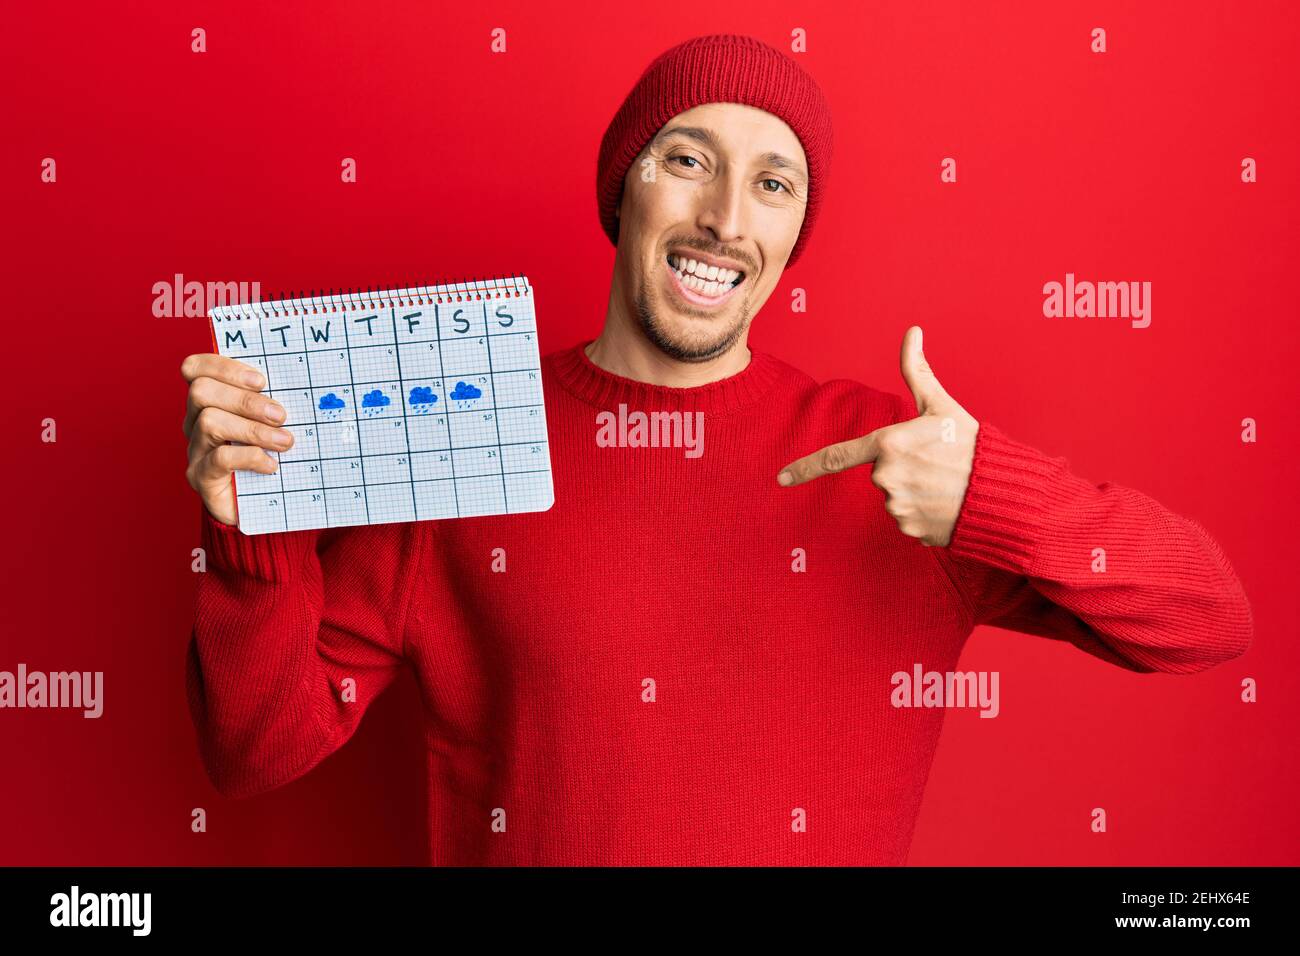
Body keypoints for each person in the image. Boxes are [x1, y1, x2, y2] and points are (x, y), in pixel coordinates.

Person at [179, 34, 1253, 865]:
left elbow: (1208, 617)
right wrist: (250, 541)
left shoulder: (893, 460)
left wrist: (993, 494)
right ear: (623, 188)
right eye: (686, 159)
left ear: (790, 235)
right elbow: (257, 749)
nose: (724, 217)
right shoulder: (466, 428)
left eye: (773, 184)